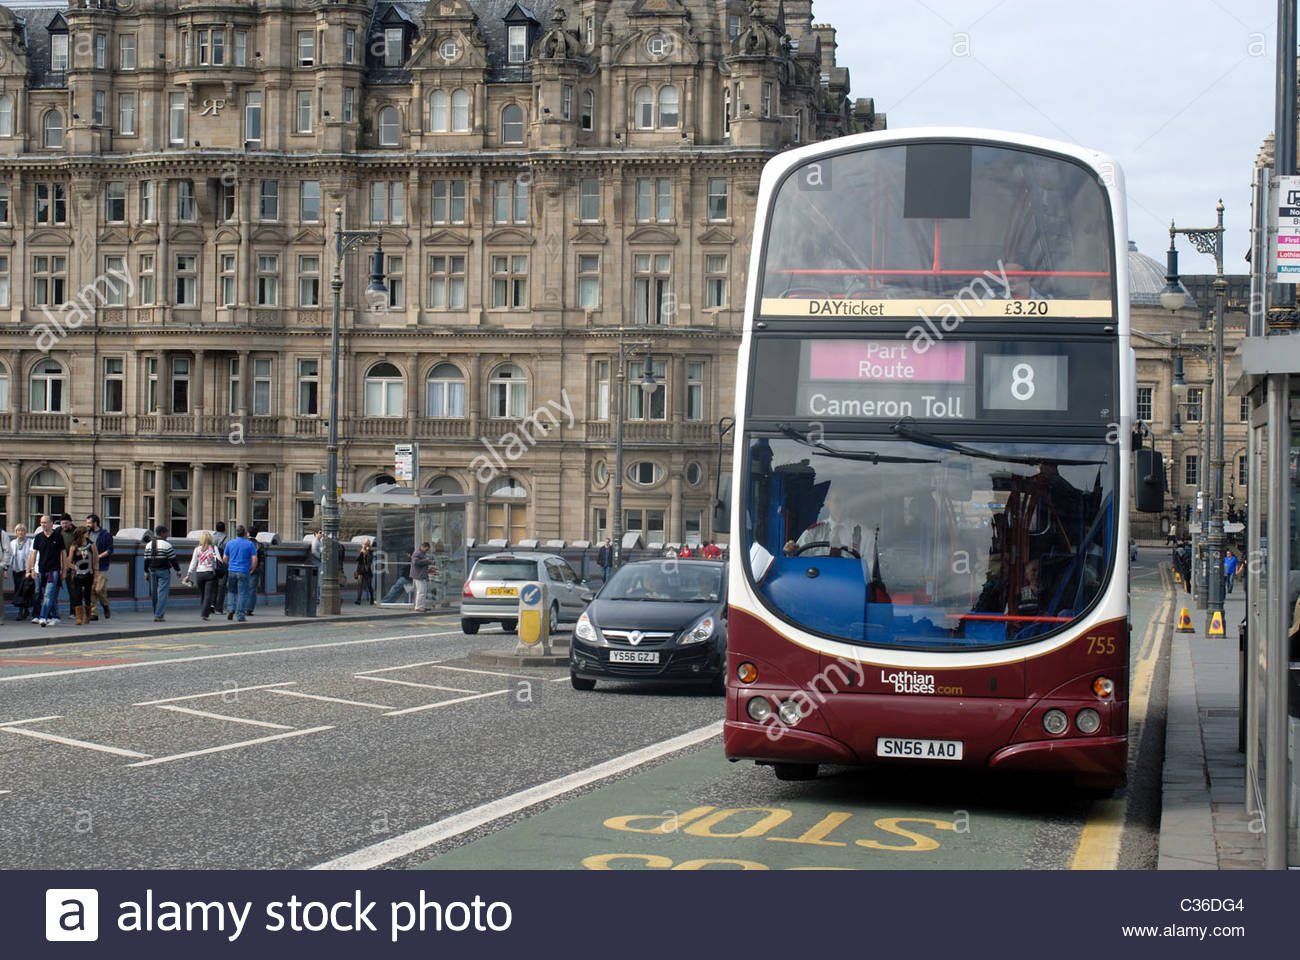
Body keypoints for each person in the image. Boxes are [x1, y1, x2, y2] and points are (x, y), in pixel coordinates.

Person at [27, 515, 67, 627]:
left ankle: (43, 616)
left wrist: (64, 570)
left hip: (53, 570)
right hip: (40, 570)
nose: (43, 525)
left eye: (45, 522)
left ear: (51, 523)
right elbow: (34, 554)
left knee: (48, 594)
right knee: (44, 593)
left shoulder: (58, 537)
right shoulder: (38, 537)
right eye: (41, 523)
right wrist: (32, 569)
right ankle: (55, 616)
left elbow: (63, 554)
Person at [222, 526, 258, 622]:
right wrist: (252, 568)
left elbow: (224, 558)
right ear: (245, 534)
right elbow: (254, 559)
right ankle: (240, 615)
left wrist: (229, 565)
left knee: (231, 591)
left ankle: (231, 609)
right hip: (244, 571)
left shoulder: (230, 543)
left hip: (232, 570)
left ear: (236, 533)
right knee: (242, 593)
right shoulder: (249, 544)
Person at [184, 530, 221, 620]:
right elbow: (219, 560)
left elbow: (193, 562)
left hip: (199, 574)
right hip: (209, 573)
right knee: (208, 595)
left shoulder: (197, 549)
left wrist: (188, 574)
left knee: (203, 594)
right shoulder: (213, 548)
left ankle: (204, 610)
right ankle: (204, 614)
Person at [145, 525, 180, 621]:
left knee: (154, 593)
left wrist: (146, 573)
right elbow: (173, 559)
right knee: (162, 593)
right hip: (164, 571)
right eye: (166, 533)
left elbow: (146, 561)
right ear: (162, 533)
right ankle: (159, 615)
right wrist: (178, 570)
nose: (167, 535)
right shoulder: (167, 545)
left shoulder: (148, 545)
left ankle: (156, 612)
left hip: (152, 570)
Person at [65, 526, 97, 625]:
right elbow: (68, 561)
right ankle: (79, 617)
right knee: (77, 595)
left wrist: (96, 575)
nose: (87, 534)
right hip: (77, 575)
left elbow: (96, 561)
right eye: (85, 533)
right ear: (81, 534)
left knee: (87, 595)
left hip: (89, 573)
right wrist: (74, 567)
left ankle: (87, 616)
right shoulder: (74, 546)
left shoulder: (91, 545)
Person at [86, 513, 113, 620]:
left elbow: (110, 549)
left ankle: (105, 605)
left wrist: (100, 556)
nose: (87, 525)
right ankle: (94, 613)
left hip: (102, 565)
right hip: (89, 565)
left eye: (89, 523)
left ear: (95, 523)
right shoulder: (87, 534)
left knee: (99, 589)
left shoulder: (105, 534)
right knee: (91, 590)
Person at [6, 524, 32, 620]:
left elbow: (31, 556)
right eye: (18, 531)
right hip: (16, 570)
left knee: (24, 590)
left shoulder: (29, 542)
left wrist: (30, 569)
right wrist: (6, 568)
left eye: (22, 531)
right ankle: (25, 609)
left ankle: (21, 611)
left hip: (25, 570)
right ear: (16, 532)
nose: (20, 533)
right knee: (18, 589)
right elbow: (10, 556)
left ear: (25, 532)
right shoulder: (13, 543)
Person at [212, 521, 230, 614]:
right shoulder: (227, 539)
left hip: (211, 564)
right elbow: (228, 554)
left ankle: (211, 605)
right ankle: (219, 608)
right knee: (221, 586)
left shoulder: (211, 537)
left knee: (212, 585)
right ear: (224, 528)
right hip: (222, 564)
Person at [410, 542, 431, 611]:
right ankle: (418, 607)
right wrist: (426, 560)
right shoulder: (417, 553)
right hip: (418, 575)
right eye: (426, 549)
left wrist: (428, 562)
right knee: (421, 591)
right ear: (423, 547)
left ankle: (422, 606)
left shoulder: (422, 553)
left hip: (422, 575)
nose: (427, 550)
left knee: (423, 591)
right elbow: (415, 562)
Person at [354, 538, 375, 605]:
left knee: (369, 585)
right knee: (360, 585)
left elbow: (370, 560)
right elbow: (357, 559)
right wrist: (361, 553)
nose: (364, 545)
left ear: (368, 545)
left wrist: (367, 552)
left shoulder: (370, 552)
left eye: (365, 544)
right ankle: (358, 599)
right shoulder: (360, 551)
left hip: (367, 571)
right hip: (360, 570)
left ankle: (372, 598)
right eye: (363, 544)